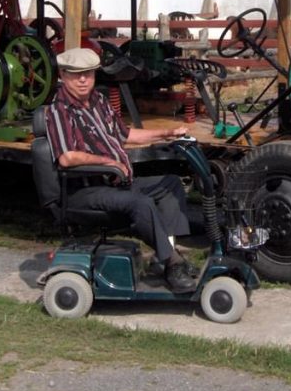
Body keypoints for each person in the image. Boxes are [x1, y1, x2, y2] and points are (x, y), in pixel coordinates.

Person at [44, 47, 197, 292]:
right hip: (85, 190)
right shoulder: (59, 110)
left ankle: (165, 258)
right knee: (140, 203)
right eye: (75, 74)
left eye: (88, 73)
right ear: (63, 75)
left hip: (115, 183)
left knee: (170, 184)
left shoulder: (98, 101)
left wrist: (167, 133)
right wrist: (109, 162)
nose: (83, 80)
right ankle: (174, 263)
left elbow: (126, 135)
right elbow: (67, 158)